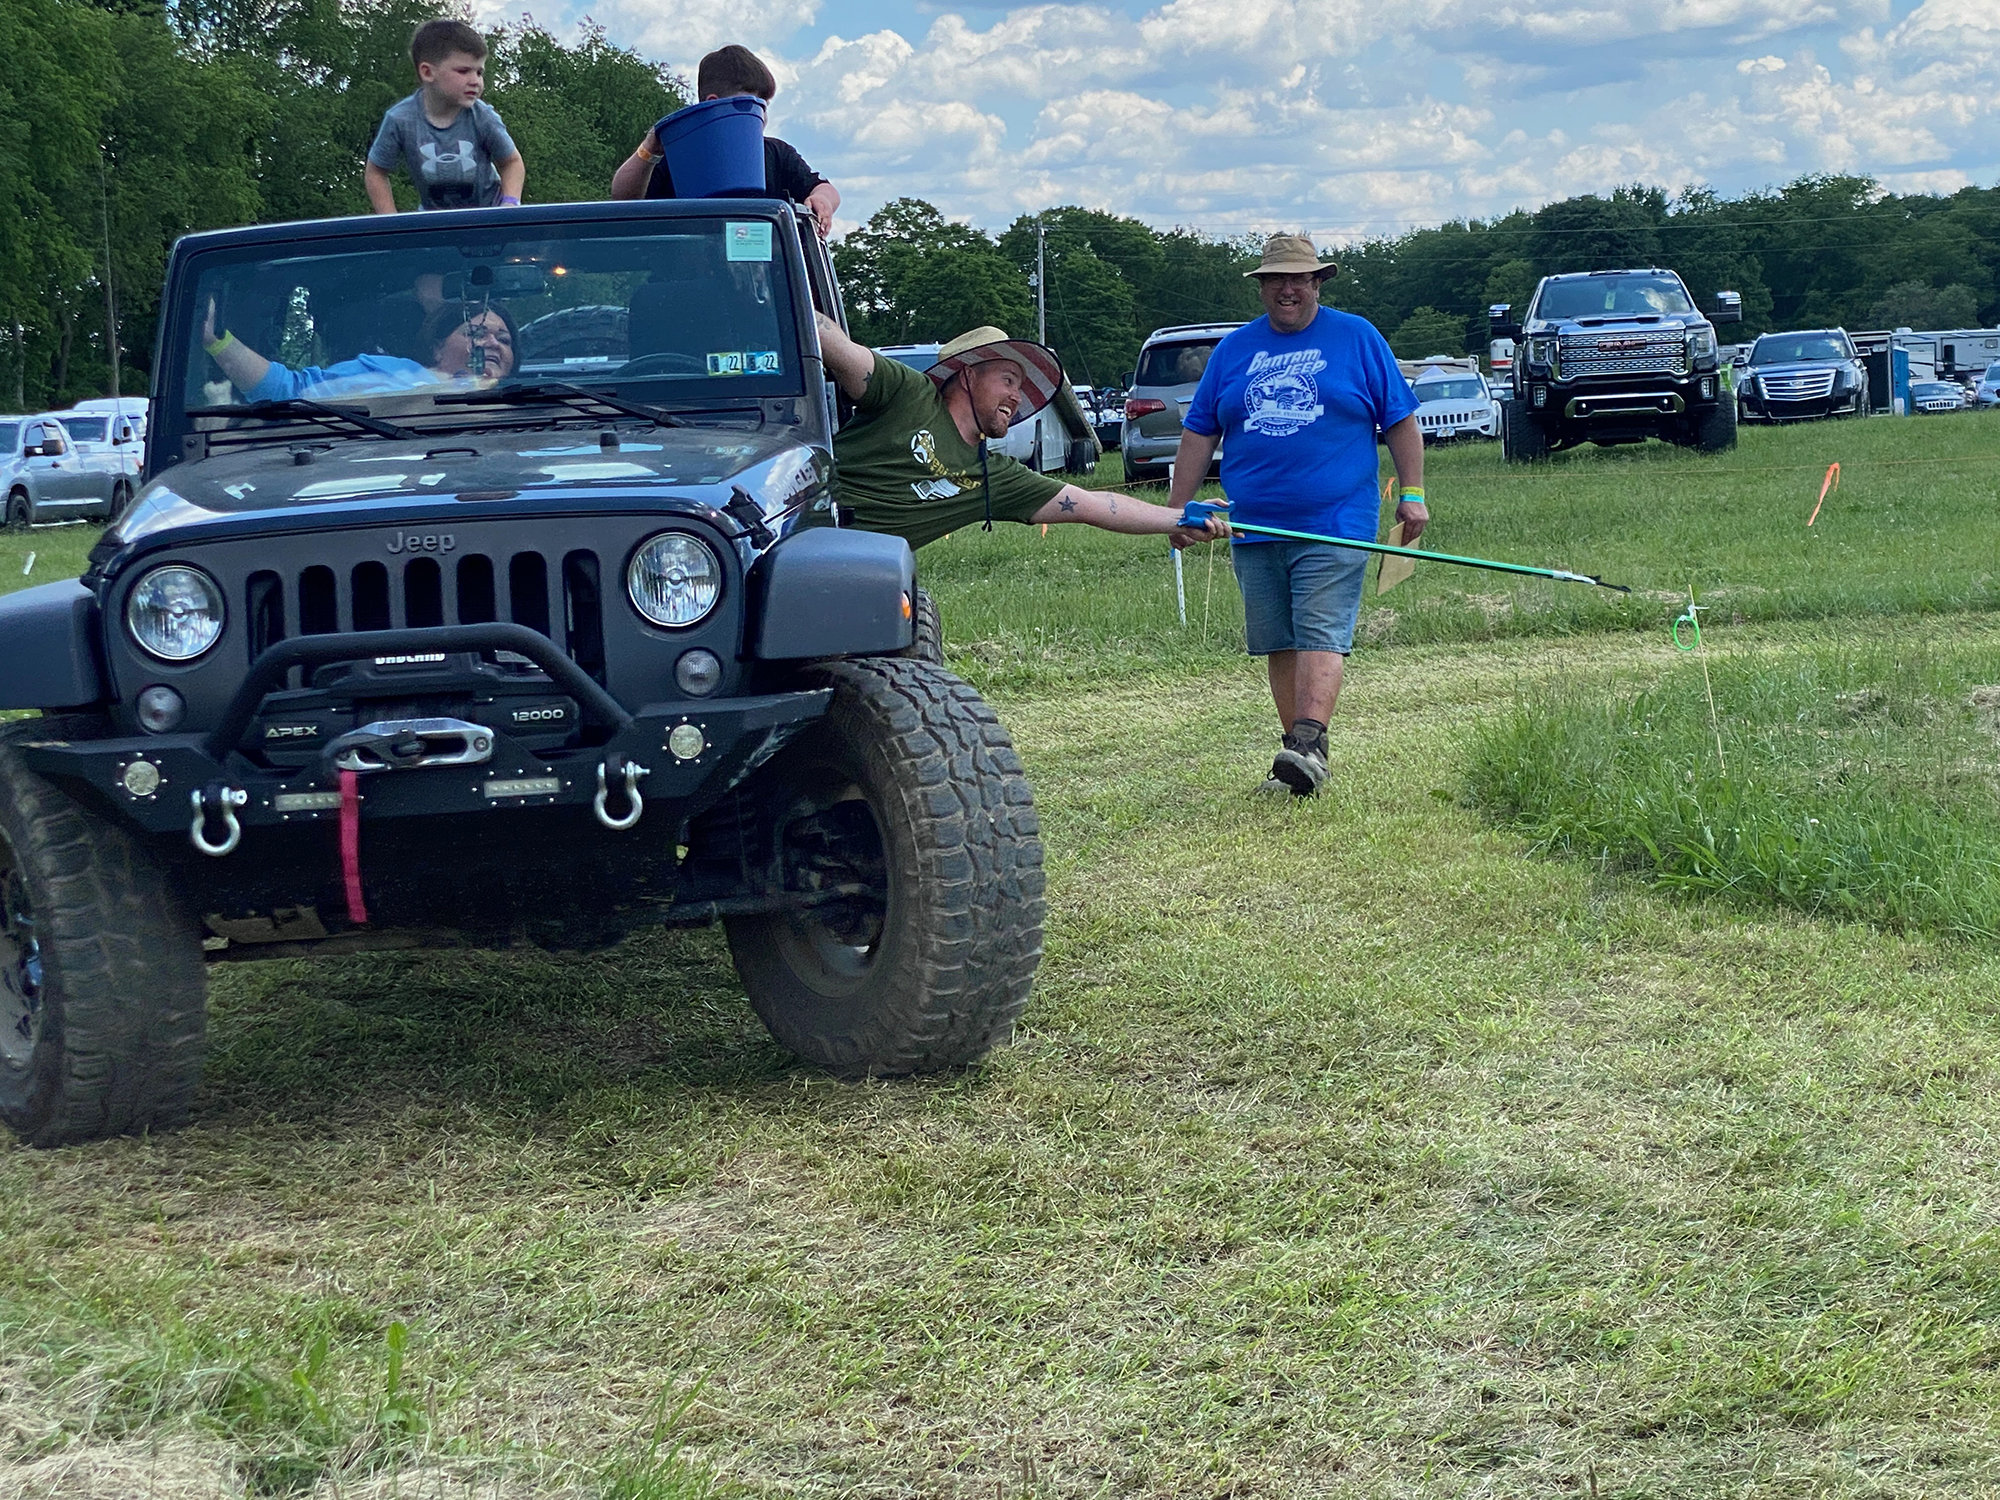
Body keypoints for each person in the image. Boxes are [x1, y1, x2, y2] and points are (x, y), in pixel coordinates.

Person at [1167, 233, 1426, 798]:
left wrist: (1413, 492)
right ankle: (1300, 757)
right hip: (1254, 523)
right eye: (1275, 279)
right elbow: (1199, 431)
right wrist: (1174, 513)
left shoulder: (1356, 337)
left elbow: (1401, 420)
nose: (1288, 288)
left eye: (1299, 279)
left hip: (1336, 519)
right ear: (1261, 287)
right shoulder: (1234, 350)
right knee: (1279, 639)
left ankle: (1308, 743)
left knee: (1320, 629)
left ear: (1317, 283)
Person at [814, 316, 1227, 552]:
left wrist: (1180, 516)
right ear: (969, 375)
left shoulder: (993, 477)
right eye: (1009, 379)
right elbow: (832, 339)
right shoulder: (908, 393)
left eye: (1021, 388)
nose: (1016, 396)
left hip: (855, 579)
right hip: (790, 540)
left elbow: (1094, 504)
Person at [609, 45, 840, 237]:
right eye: (752, 106)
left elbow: (823, 188)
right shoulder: (680, 156)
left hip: (769, 280)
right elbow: (623, 200)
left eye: (765, 106)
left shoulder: (776, 153)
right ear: (713, 103)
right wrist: (650, 147)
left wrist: (822, 200)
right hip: (686, 276)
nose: (761, 115)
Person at [201, 299, 517, 403]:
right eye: (476, 334)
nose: (493, 343)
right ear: (437, 348)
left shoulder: (544, 401)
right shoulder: (390, 374)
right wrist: (215, 339)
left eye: (504, 339)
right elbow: (292, 392)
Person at [366, 20, 525, 213]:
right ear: (427, 72)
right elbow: (376, 172)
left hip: (487, 217)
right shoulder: (400, 119)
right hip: (436, 223)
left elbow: (512, 163)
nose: (476, 81)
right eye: (464, 71)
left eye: (479, 72)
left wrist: (509, 205)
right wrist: (391, 222)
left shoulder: (483, 117)